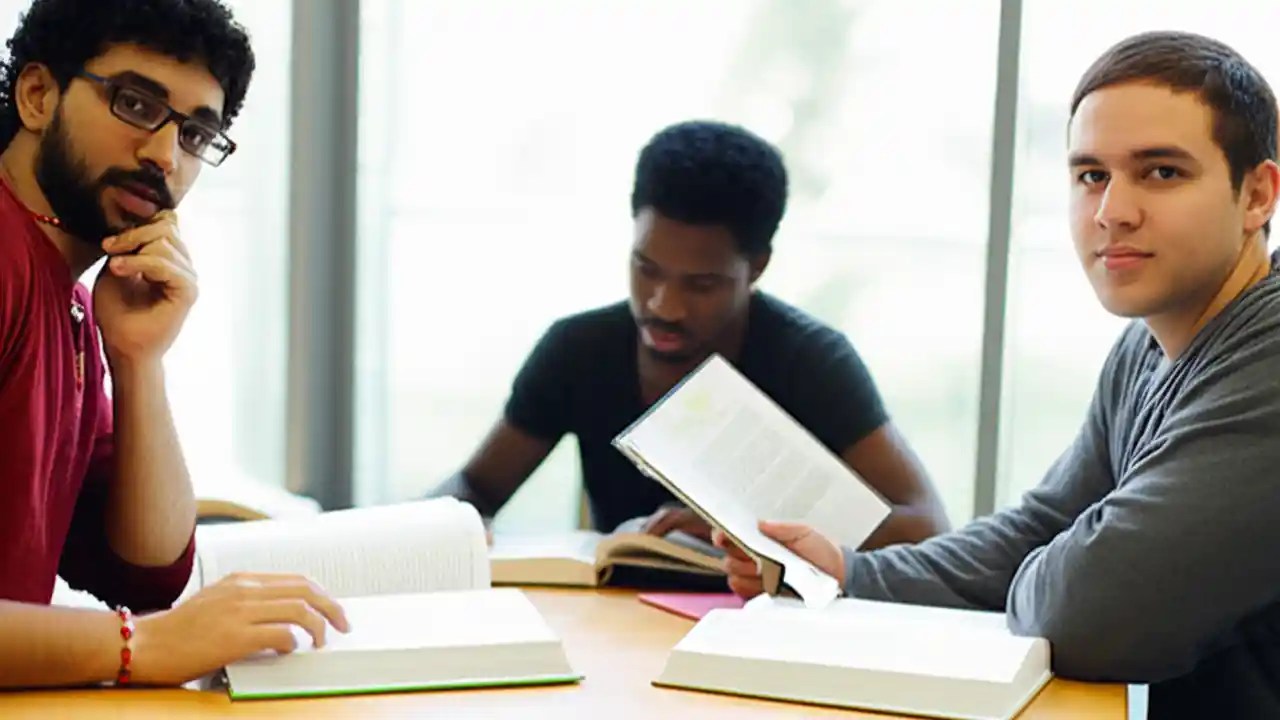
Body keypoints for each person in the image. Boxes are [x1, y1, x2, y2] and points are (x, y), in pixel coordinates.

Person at [718, 31, 1280, 718]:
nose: (1112, 212)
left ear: (1257, 195)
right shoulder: (1147, 346)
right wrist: (848, 570)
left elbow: (1096, 612)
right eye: (1091, 175)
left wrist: (1077, 561)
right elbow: (1041, 527)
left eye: (1161, 172)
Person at [0, 0, 345, 688]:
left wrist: (137, 360)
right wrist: (137, 646)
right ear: (39, 95)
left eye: (194, 135)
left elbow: (145, 568)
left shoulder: (67, 296)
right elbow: (151, 618)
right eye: (134, 103)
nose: (164, 156)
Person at [432, 120, 949, 548]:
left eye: (701, 284)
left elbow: (926, 525)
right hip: (613, 625)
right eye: (646, 268)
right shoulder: (578, 351)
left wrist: (745, 530)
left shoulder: (810, 360)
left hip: (761, 631)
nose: (663, 306)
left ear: (757, 268)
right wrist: (453, 523)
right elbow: (476, 485)